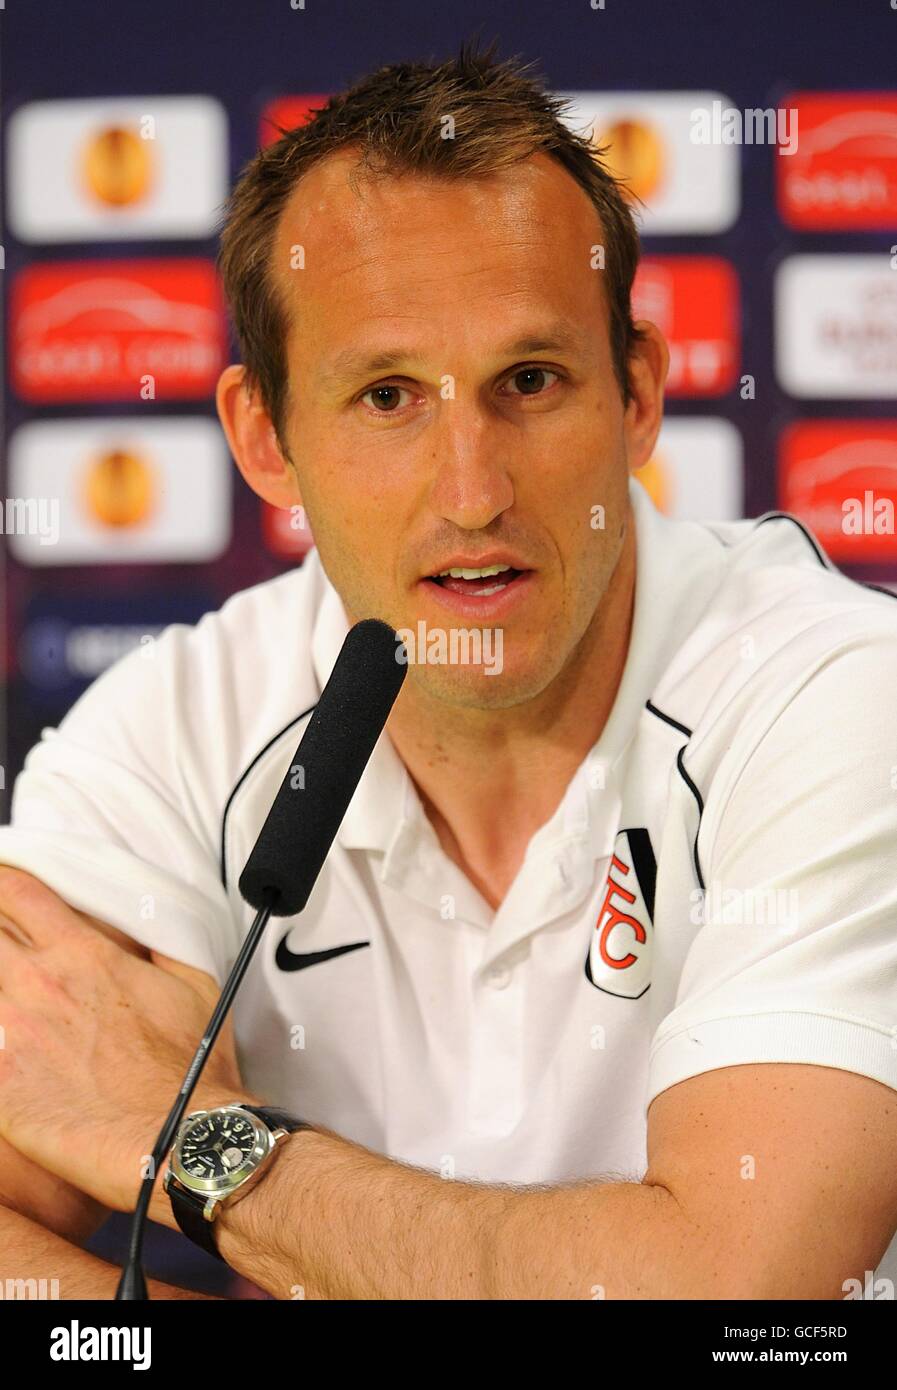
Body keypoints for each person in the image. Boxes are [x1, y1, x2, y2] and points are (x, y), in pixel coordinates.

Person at [0, 39, 895, 1301]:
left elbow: (734, 1288)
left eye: (530, 381)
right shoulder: (172, 729)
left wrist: (208, 1149)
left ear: (637, 394)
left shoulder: (838, 696)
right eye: (386, 397)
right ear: (265, 436)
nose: (472, 492)